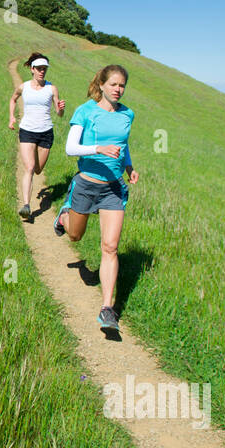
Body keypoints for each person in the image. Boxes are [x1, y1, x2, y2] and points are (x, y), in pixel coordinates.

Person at [53, 64, 139, 331]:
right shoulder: (85, 111)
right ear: (101, 85)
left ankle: (107, 309)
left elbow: (123, 145)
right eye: (113, 84)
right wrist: (98, 148)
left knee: (110, 247)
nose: (118, 89)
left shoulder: (127, 115)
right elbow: (70, 148)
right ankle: (65, 214)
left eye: (122, 85)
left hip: (113, 189)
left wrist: (129, 167)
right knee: (75, 236)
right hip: (86, 185)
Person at [8, 53, 65, 222]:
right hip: (27, 130)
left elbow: (59, 114)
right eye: (39, 69)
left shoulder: (51, 88)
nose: (42, 72)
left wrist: (61, 108)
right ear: (32, 69)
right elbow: (13, 100)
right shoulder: (23, 87)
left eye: (44, 69)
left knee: (38, 169)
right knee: (30, 168)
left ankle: (33, 191)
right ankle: (26, 205)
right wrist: (12, 117)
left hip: (46, 132)